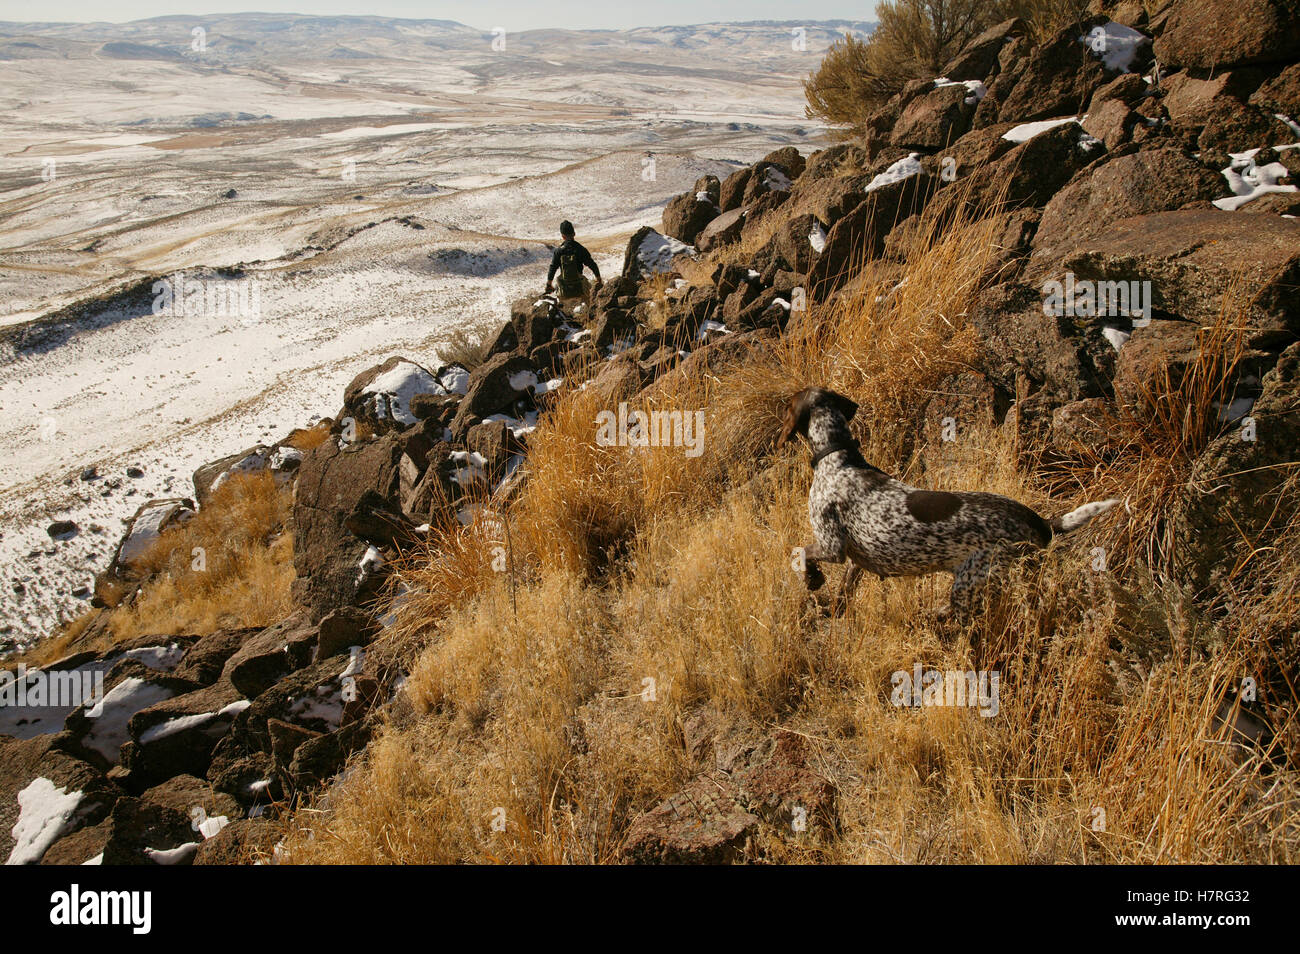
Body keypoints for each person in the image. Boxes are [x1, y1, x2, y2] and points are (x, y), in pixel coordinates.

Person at [545, 220, 602, 319]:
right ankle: (592, 318)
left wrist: (549, 284)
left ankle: (562, 319)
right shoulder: (580, 249)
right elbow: (592, 264)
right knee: (591, 299)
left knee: (557, 297)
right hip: (580, 287)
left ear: (562, 236)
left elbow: (553, 267)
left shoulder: (558, 251)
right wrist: (599, 279)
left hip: (563, 290)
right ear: (574, 233)